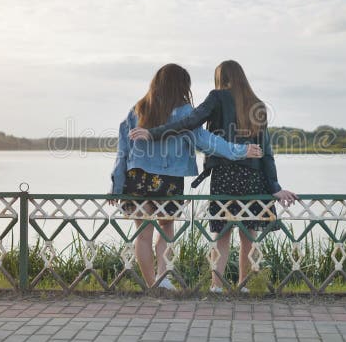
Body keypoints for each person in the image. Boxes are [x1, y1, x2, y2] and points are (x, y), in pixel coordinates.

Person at [130, 60, 298, 293]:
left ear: (221, 78)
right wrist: (275, 187)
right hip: (254, 176)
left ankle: (216, 287)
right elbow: (266, 152)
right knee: (249, 234)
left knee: (221, 234)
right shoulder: (257, 105)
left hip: (224, 175)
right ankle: (243, 286)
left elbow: (190, 124)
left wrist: (153, 133)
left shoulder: (217, 97)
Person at [111, 63, 262, 291]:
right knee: (166, 229)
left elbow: (122, 151)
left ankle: (151, 285)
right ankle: (163, 279)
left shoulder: (137, 109)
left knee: (143, 235)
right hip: (168, 180)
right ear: (182, 86)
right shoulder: (183, 112)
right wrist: (240, 150)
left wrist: (116, 185)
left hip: (137, 179)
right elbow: (204, 140)